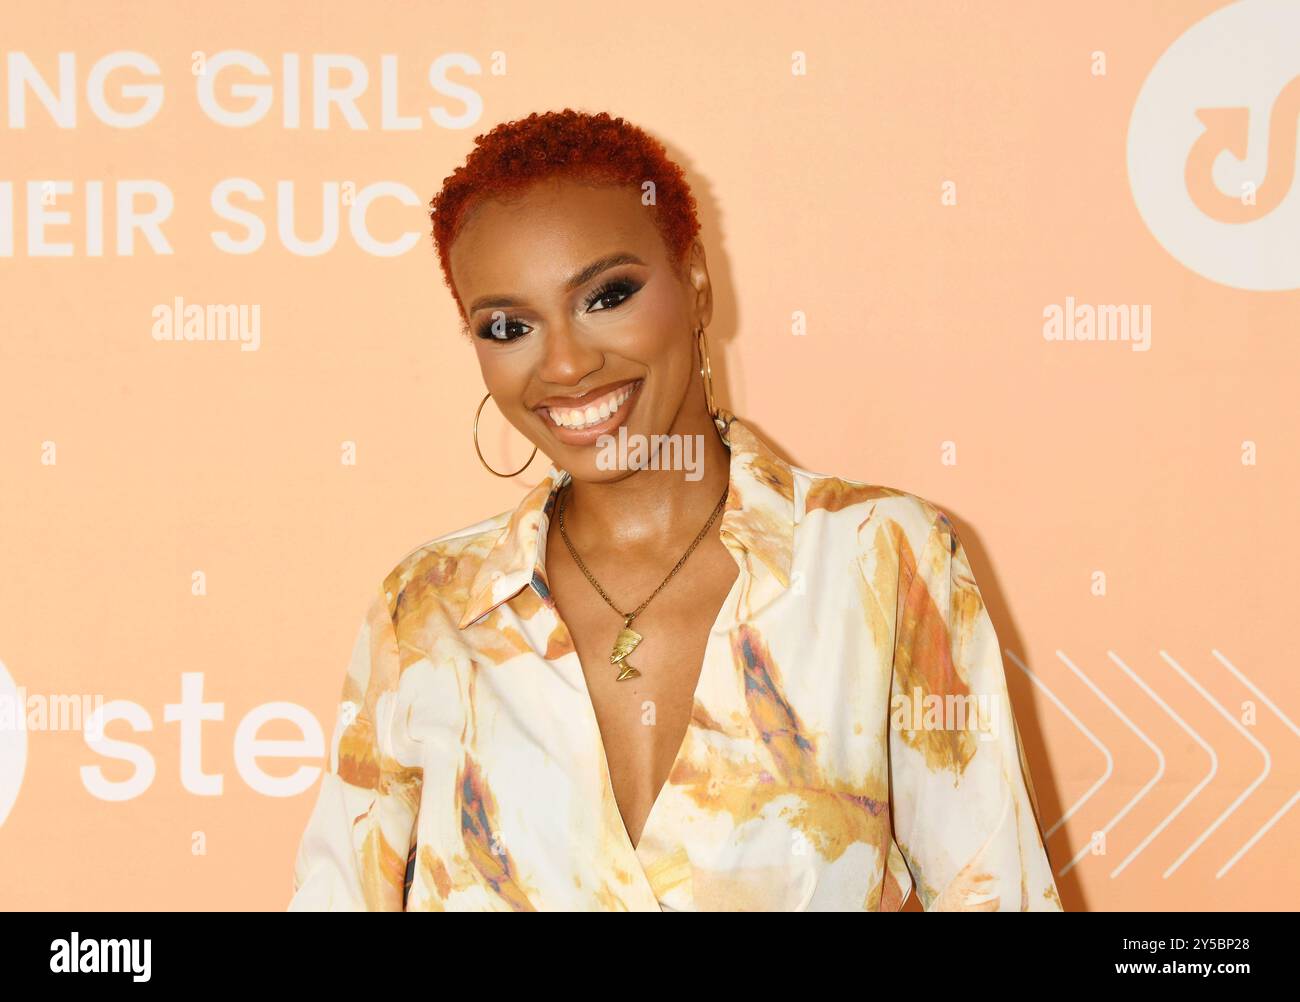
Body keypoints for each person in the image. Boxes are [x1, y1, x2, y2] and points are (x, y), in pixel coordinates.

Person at [288, 108, 1062, 912]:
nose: (565, 363)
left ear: (696, 284)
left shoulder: (881, 559)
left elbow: (996, 894)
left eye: (606, 295)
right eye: (509, 325)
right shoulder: (425, 610)